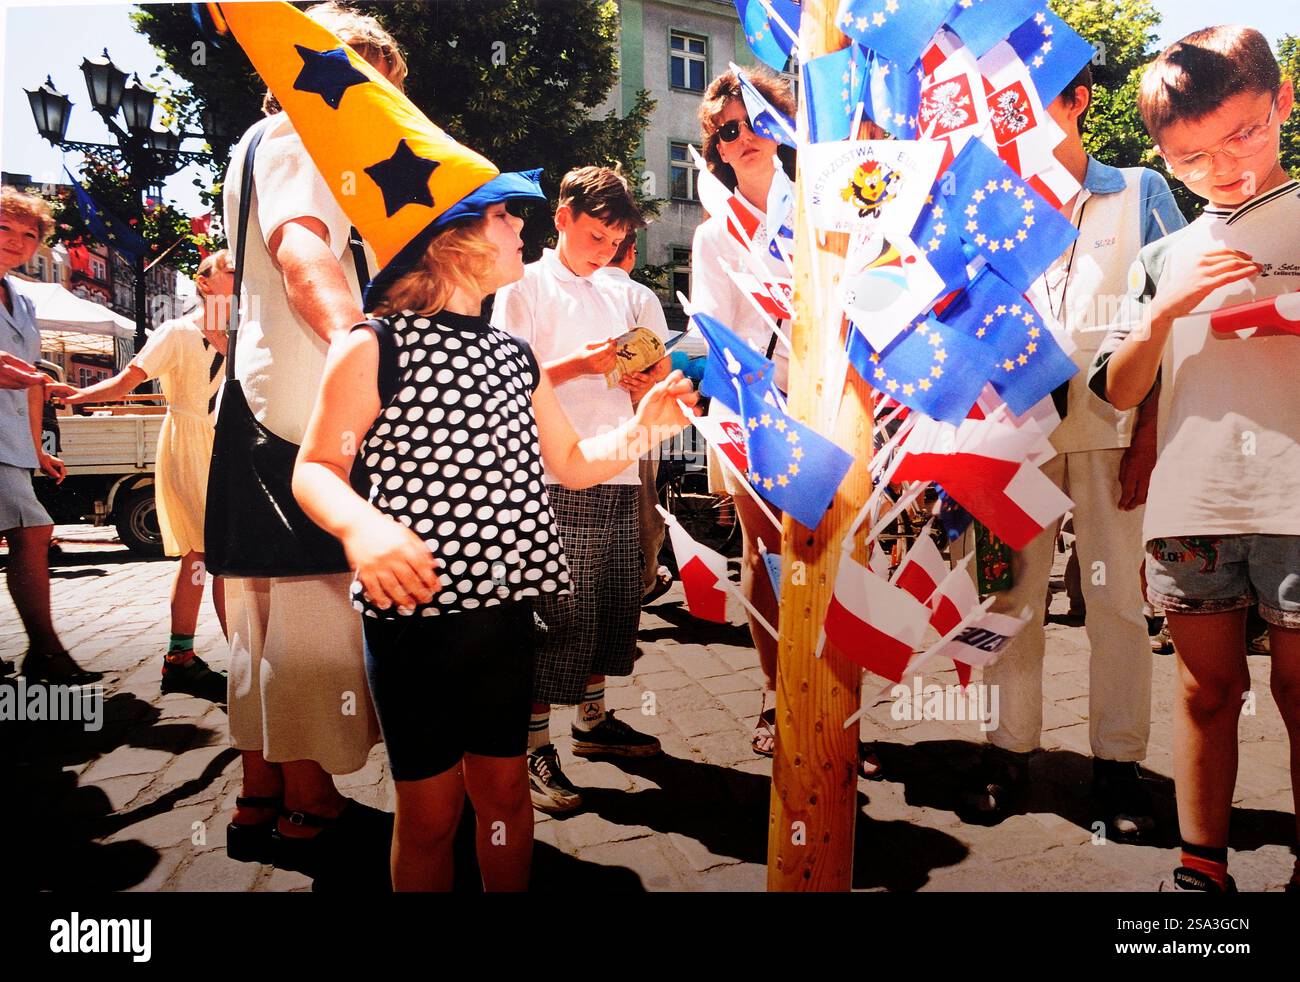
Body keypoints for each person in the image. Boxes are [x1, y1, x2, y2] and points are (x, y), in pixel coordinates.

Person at [295, 188, 698, 889]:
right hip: (414, 625)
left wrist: (646, 428)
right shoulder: (372, 344)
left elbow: (569, 464)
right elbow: (318, 468)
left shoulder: (514, 357)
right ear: (451, 242)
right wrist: (363, 528)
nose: (520, 227)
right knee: (427, 814)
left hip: (506, 616)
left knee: (506, 795)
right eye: (504, 217)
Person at [1089, 25, 1300, 891]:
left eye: (1244, 133)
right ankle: (1200, 870)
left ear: (1284, 103)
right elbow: (1117, 388)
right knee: (1206, 691)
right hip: (1194, 503)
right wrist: (1162, 312)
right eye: (1191, 157)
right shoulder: (1164, 253)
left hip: (1294, 497)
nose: (1223, 167)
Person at [960, 65, 1187, 837]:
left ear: (1077, 99)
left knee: (1119, 601)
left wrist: (1152, 431)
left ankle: (1117, 767)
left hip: (1112, 428)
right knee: (1009, 597)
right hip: (1011, 434)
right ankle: (1006, 751)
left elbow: (1178, 318)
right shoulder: (993, 199)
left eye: (1029, 101)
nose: (1012, 117)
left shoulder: (1138, 191)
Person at [218, 1, 397, 878]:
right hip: (302, 408)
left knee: (255, 619)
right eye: (375, 87)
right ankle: (312, 800)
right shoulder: (302, 136)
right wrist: (367, 347)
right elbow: (303, 253)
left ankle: (261, 790)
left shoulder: (251, 145)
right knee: (311, 618)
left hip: (254, 400)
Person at [491, 166, 663, 815]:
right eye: (594, 235)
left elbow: (647, 367)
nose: (603, 250)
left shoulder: (621, 289)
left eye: (613, 238)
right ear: (560, 217)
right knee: (554, 617)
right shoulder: (525, 284)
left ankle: (592, 723)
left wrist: (646, 381)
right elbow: (510, 374)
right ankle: (533, 747)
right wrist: (582, 366)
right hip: (555, 472)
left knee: (615, 604)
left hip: (620, 464)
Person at [61, 250, 236, 702]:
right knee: (211, 555)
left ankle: (183, 658)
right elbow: (125, 382)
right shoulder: (177, 332)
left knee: (203, 557)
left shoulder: (239, 333)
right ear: (204, 283)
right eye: (231, 270)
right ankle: (236, 662)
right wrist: (74, 397)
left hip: (223, 448)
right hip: (188, 442)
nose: (240, 277)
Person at [690, 66, 795, 759]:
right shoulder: (712, 234)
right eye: (728, 130)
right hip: (751, 405)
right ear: (717, 150)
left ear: (782, 124)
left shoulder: (825, 205)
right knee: (765, 550)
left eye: (756, 118)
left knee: (832, 556)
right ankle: (772, 688)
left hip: (828, 401)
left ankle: (829, 695)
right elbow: (710, 334)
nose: (744, 135)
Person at [0, 186, 97, 685]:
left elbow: (31, 380)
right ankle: (45, 651)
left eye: (28, 234)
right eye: (5, 229)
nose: (17, 242)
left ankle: (39, 652)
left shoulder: (22, 300)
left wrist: (38, 447)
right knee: (33, 532)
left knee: (27, 533)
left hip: (10, 441)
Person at [593, 230, 674, 605]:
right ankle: (641, 579)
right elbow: (661, 366)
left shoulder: (579, 288)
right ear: (631, 254)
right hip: (632, 417)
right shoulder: (639, 295)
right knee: (641, 499)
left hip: (580, 422)